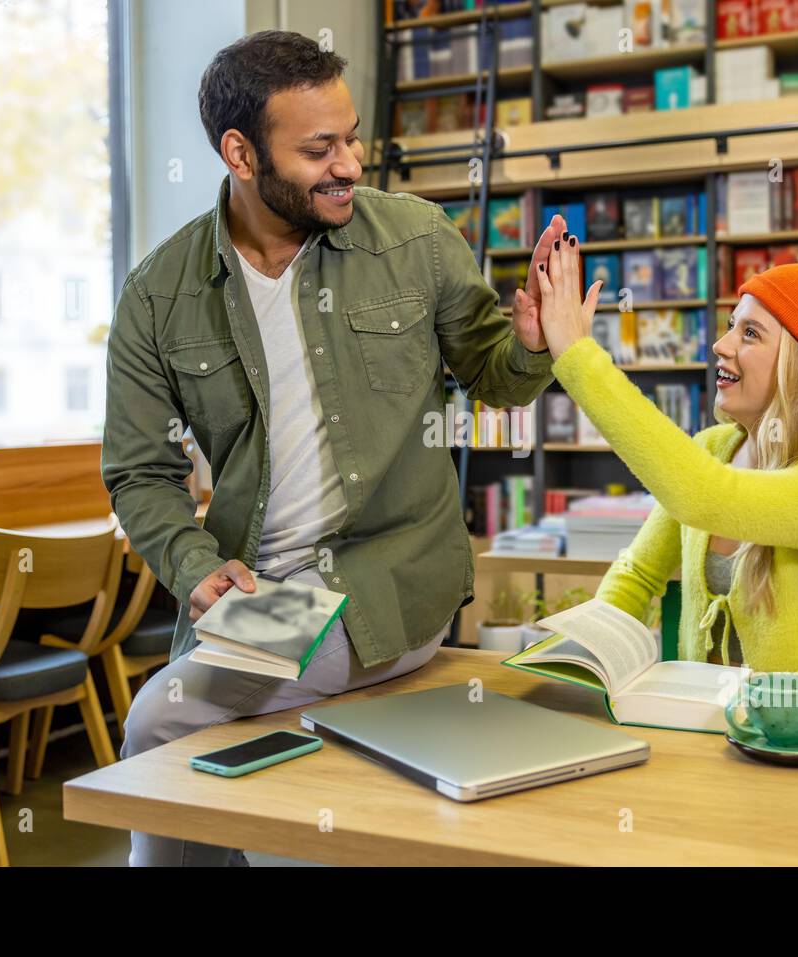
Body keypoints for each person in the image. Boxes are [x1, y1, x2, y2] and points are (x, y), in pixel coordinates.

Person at [101, 30, 566, 865]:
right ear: (240, 154)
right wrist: (191, 563)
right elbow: (139, 471)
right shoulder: (159, 295)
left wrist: (534, 344)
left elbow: (496, 377)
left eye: (351, 136)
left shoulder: (417, 241)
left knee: (160, 717)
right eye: (319, 149)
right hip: (257, 598)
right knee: (208, 756)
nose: (349, 163)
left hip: (386, 582)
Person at [531, 239, 798, 680]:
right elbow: (637, 574)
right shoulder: (714, 448)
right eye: (731, 325)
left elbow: (706, 495)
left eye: (749, 333)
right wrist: (585, 660)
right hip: (711, 728)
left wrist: (577, 357)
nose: (720, 344)